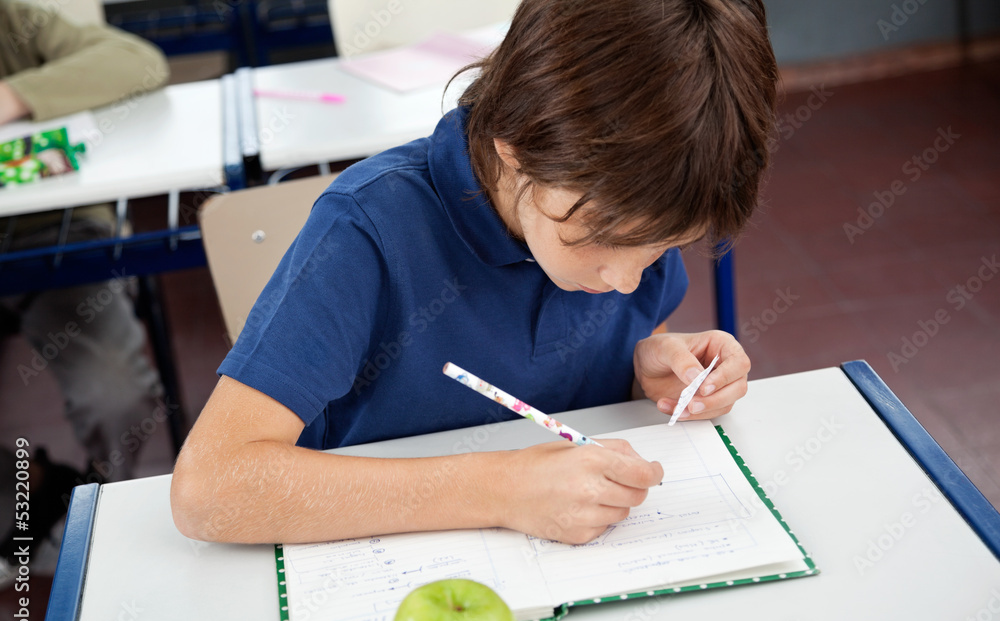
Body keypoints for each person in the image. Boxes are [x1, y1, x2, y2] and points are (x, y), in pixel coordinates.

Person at [171, 0, 778, 547]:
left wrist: (646, 366)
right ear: (515, 141)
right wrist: (500, 490)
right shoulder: (369, 231)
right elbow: (210, 489)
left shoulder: (634, 198)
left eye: (661, 248)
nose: (626, 280)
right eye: (604, 238)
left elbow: (596, 369)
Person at [0, 0, 170, 577]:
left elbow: (136, 60)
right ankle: (35, 491)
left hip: (44, 231)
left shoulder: (12, 20)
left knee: (115, 390)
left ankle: (105, 503)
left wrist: (15, 97)